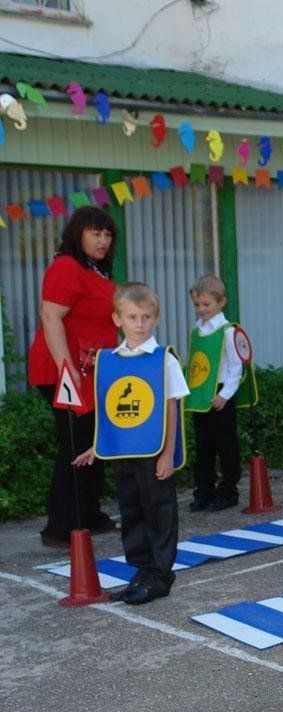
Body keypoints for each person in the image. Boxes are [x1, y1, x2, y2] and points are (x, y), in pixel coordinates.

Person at [73, 283, 189, 605]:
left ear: (157, 319)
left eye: (146, 317)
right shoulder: (110, 361)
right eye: (132, 316)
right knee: (132, 511)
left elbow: (171, 407)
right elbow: (111, 412)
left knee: (159, 511)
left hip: (154, 453)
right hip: (124, 453)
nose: (139, 324)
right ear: (117, 319)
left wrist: (167, 453)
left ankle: (161, 574)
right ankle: (141, 570)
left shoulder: (164, 360)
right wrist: (98, 447)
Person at [26, 207, 121, 548]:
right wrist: (68, 370)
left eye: (108, 235)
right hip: (64, 370)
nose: (103, 240)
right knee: (74, 442)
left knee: (90, 441)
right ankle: (61, 527)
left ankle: (88, 514)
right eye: (96, 233)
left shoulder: (94, 270)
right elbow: (51, 318)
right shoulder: (66, 266)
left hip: (90, 370)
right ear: (78, 234)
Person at [184, 274, 256, 512]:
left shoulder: (227, 331)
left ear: (221, 302)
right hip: (201, 395)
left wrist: (225, 395)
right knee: (203, 447)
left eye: (207, 304)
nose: (201, 309)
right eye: (197, 305)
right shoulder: (197, 330)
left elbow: (236, 367)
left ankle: (228, 491)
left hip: (220, 394)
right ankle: (203, 491)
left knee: (225, 445)